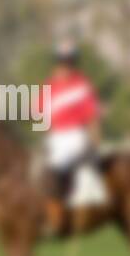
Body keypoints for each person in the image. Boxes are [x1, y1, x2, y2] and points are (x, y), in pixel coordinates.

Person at [36, 40, 101, 236]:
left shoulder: (82, 85)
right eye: (62, 61)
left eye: (69, 61)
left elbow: (92, 117)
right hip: (54, 137)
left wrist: (94, 142)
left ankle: (56, 220)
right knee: (33, 170)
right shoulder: (47, 86)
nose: (65, 65)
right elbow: (40, 119)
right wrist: (43, 142)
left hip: (75, 136)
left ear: (74, 62)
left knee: (55, 168)